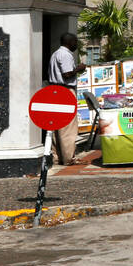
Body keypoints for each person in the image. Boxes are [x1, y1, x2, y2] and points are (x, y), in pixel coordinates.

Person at [45, 32, 87, 166]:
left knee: (57, 125)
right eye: (75, 42)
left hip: (55, 90)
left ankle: (57, 156)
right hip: (65, 90)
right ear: (70, 42)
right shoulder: (65, 54)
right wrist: (78, 68)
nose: (76, 45)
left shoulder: (56, 54)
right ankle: (69, 158)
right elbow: (67, 74)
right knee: (67, 126)